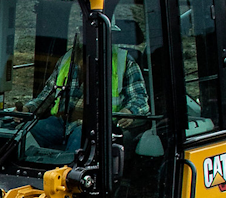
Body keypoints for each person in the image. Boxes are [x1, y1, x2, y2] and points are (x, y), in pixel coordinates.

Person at [24, 18, 149, 152]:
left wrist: (129, 111)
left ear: (109, 34)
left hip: (99, 126)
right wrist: (28, 109)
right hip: (61, 123)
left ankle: (69, 172)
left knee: (79, 144)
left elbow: (139, 98)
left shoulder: (125, 62)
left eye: (97, 32)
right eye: (86, 31)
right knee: (25, 132)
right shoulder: (68, 58)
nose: (91, 37)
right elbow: (48, 94)